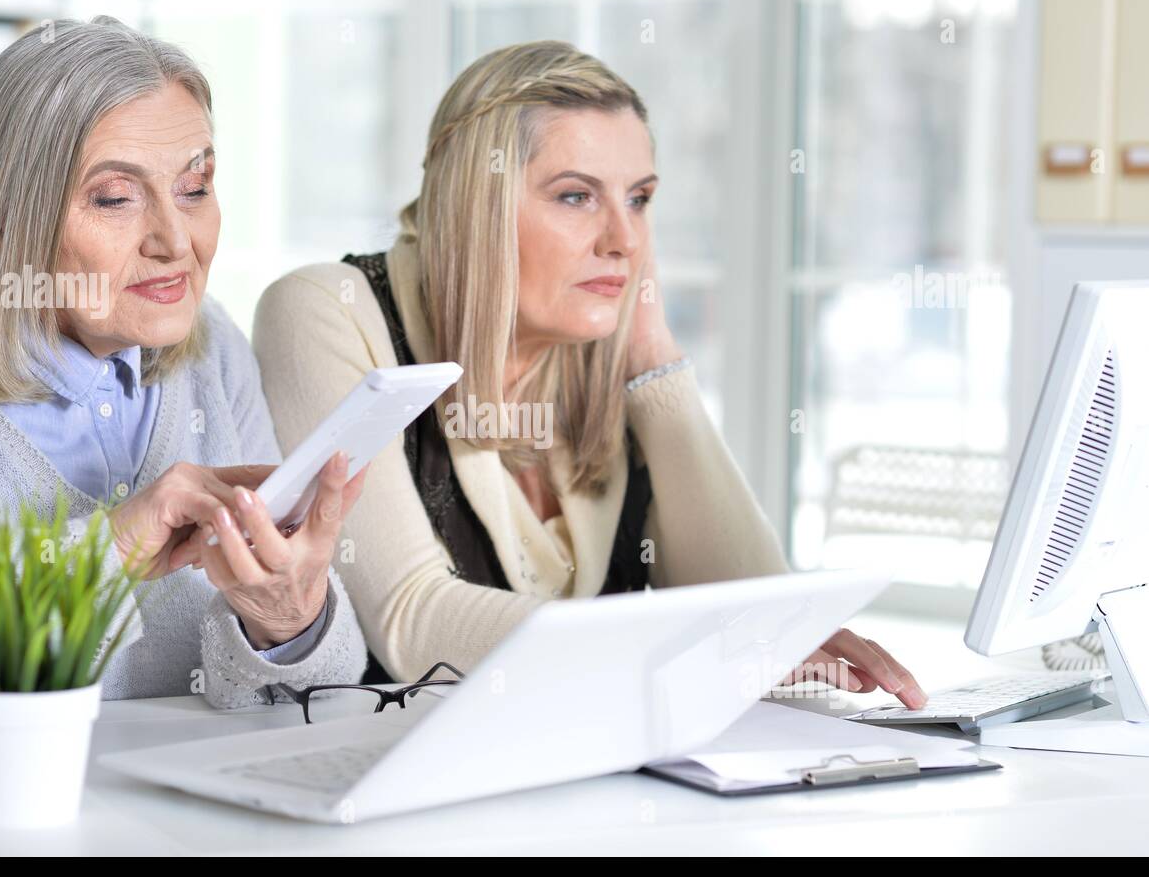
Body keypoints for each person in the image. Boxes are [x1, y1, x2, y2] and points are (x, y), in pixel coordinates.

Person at [253, 41, 927, 708]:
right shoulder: (329, 309)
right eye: (576, 197)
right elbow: (412, 617)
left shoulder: (597, 351)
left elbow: (756, 617)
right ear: (474, 208)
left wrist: (654, 358)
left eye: (638, 199)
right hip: (390, 792)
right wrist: (699, 646)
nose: (624, 240)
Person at [0, 17, 367, 738]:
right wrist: (104, 554)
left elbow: (320, 690)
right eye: (116, 198)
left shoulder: (213, 349)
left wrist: (290, 615)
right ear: (3, 220)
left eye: (193, 188)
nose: (175, 242)